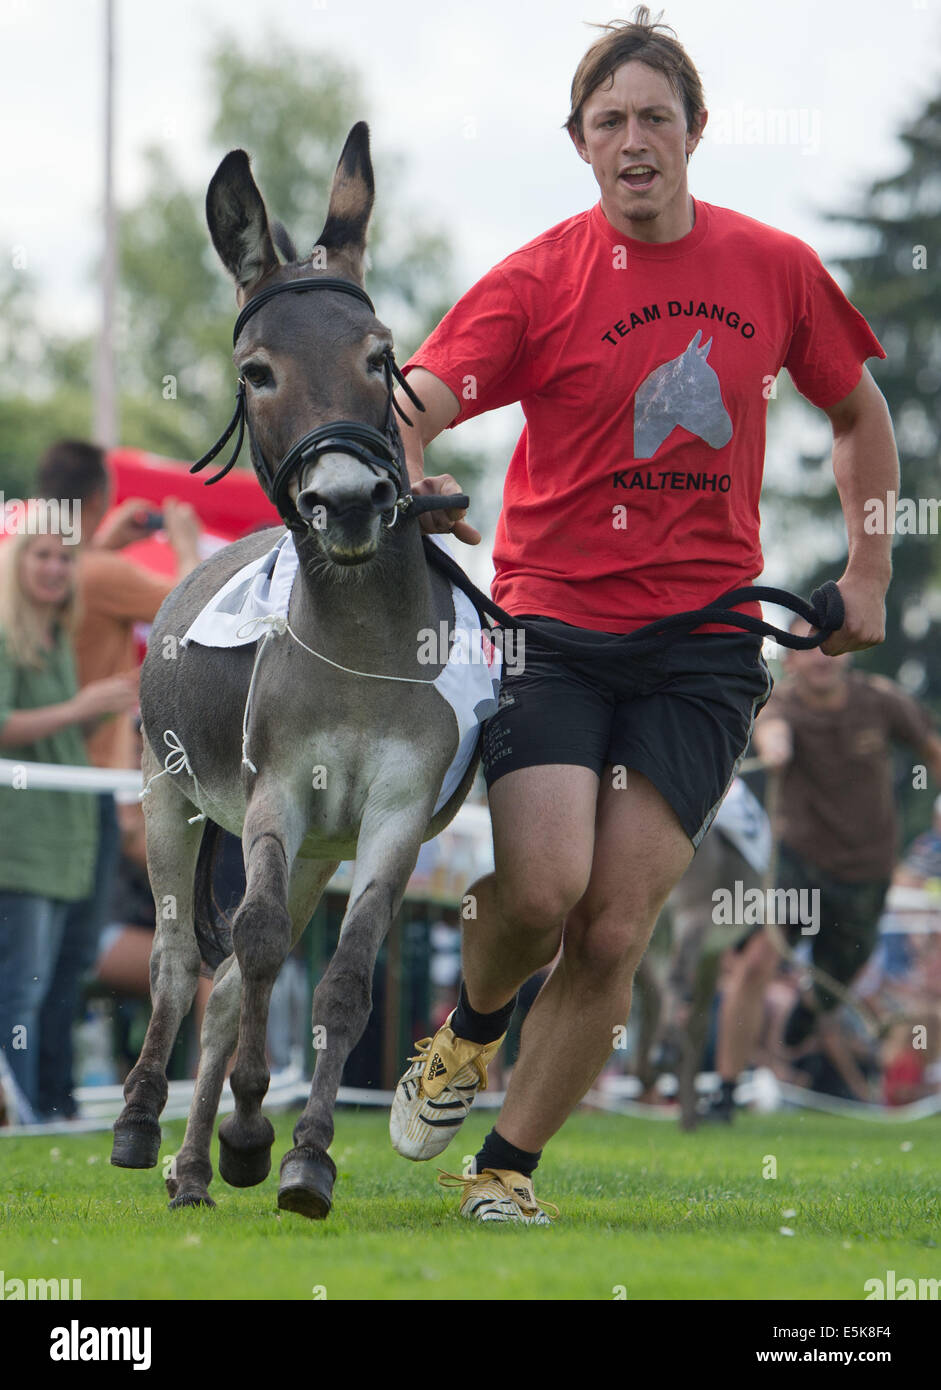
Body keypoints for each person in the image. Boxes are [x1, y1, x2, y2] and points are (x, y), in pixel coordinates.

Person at [386, 8, 899, 1223]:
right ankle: (465, 1030)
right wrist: (413, 485)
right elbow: (409, 402)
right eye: (608, 121)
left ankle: (503, 1170)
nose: (632, 141)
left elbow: (859, 417)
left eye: (653, 118)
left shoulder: (770, 267)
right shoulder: (536, 278)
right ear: (577, 141)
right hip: (551, 624)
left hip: (706, 640)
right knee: (541, 886)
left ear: (695, 131)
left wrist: (868, 575)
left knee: (614, 925)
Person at [32, 439, 202, 1119]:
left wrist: (103, 538)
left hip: (50, 781)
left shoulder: (51, 564)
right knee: (63, 955)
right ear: (98, 496)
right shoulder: (96, 572)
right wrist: (186, 541)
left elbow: (75, 571)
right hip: (91, 786)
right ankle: (51, 1101)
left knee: (45, 958)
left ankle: (47, 1098)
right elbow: (190, 606)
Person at [710, 626, 941, 1117]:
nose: (820, 656)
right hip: (799, 866)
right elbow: (772, 731)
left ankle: (812, 1010)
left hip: (867, 873)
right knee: (757, 960)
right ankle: (726, 1092)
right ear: (789, 662)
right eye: (806, 648)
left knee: (844, 971)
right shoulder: (782, 708)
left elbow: (930, 746)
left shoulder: (880, 701)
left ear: (847, 653)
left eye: (828, 645)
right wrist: (774, 748)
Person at [0, 528, 137, 1118]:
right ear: (16, 561)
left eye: (65, 557)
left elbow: (47, 738)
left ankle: (50, 1106)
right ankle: (23, 1114)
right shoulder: (7, 631)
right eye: (42, 555)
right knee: (21, 993)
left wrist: (103, 710)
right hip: (24, 845)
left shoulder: (52, 634)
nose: (56, 568)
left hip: (65, 843)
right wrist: (85, 706)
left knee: (57, 987)